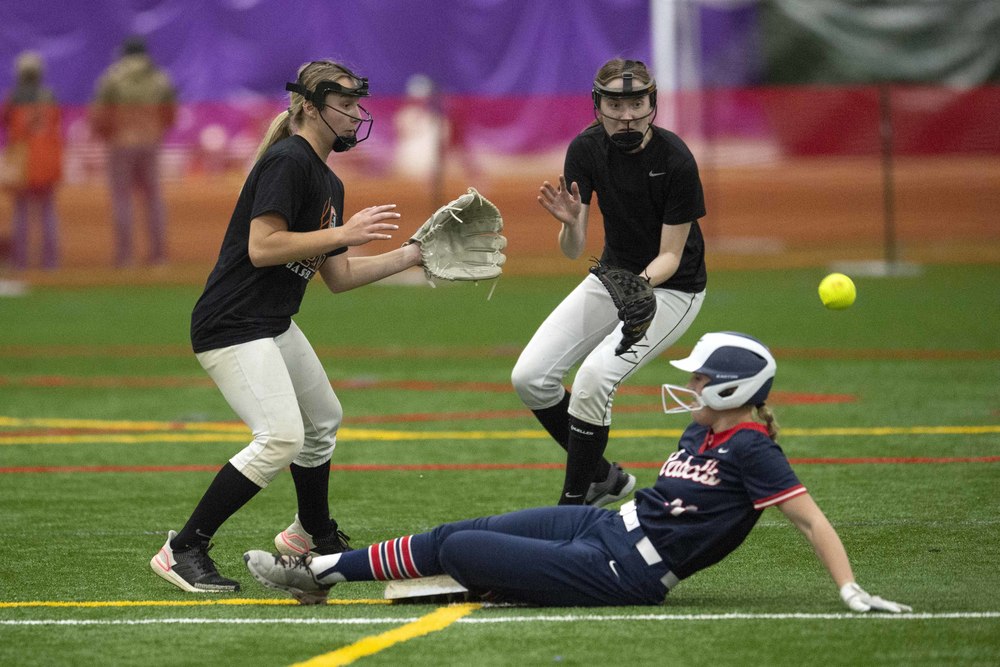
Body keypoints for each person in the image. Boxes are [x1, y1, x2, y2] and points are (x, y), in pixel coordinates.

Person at [244, 331, 911, 612]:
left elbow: (810, 517)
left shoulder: (752, 449)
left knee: (458, 547)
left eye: (706, 380)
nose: (695, 387)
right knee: (465, 529)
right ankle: (343, 570)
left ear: (736, 391)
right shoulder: (701, 428)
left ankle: (324, 571)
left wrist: (850, 588)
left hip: (628, 572)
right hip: (605, 526)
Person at [150, 59, 424, 593]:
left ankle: (311, 534)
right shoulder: (288, 161)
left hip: (269, 322)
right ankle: (183, 548)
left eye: (356, 103)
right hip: (232, 323)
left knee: (323, 419)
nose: (355, 114)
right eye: (343, 103)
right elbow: (263, 247)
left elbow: (338, 277)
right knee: (280, 437)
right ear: (308, 105)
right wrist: (343, 232)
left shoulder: (326, 179)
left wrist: (412, 256)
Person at [511, 58, 707, 508]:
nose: (627, 114)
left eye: (636, 102)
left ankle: (572, 506)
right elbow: (573, 250)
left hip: (673, 288)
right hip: (615, 277)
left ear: (651, 104)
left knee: (595, 379)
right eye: (615, 104)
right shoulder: (586, 149)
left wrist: (640, 285)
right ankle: (603, 478)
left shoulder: (675, 159)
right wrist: (568, 223)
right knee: (530, 378)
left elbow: (672, 256)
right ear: (597, 106)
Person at [89, 36, 177, 266]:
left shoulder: (111, 77)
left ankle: (125, 256)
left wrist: (109, 135)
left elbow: (99, 113)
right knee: (154, 198)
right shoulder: (159, 77)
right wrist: (156, 131)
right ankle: (159, 256)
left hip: (121, 143)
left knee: (122, 199)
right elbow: (170, 112)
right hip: (150, 142)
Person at [1, 51, 62, 270]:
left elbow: (5, 122)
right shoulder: (50, 96)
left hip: (23, 162)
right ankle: (51, 263)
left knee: (21, 212)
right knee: (47, 211)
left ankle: (20, 262)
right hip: (47, 160)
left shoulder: (13, 98)